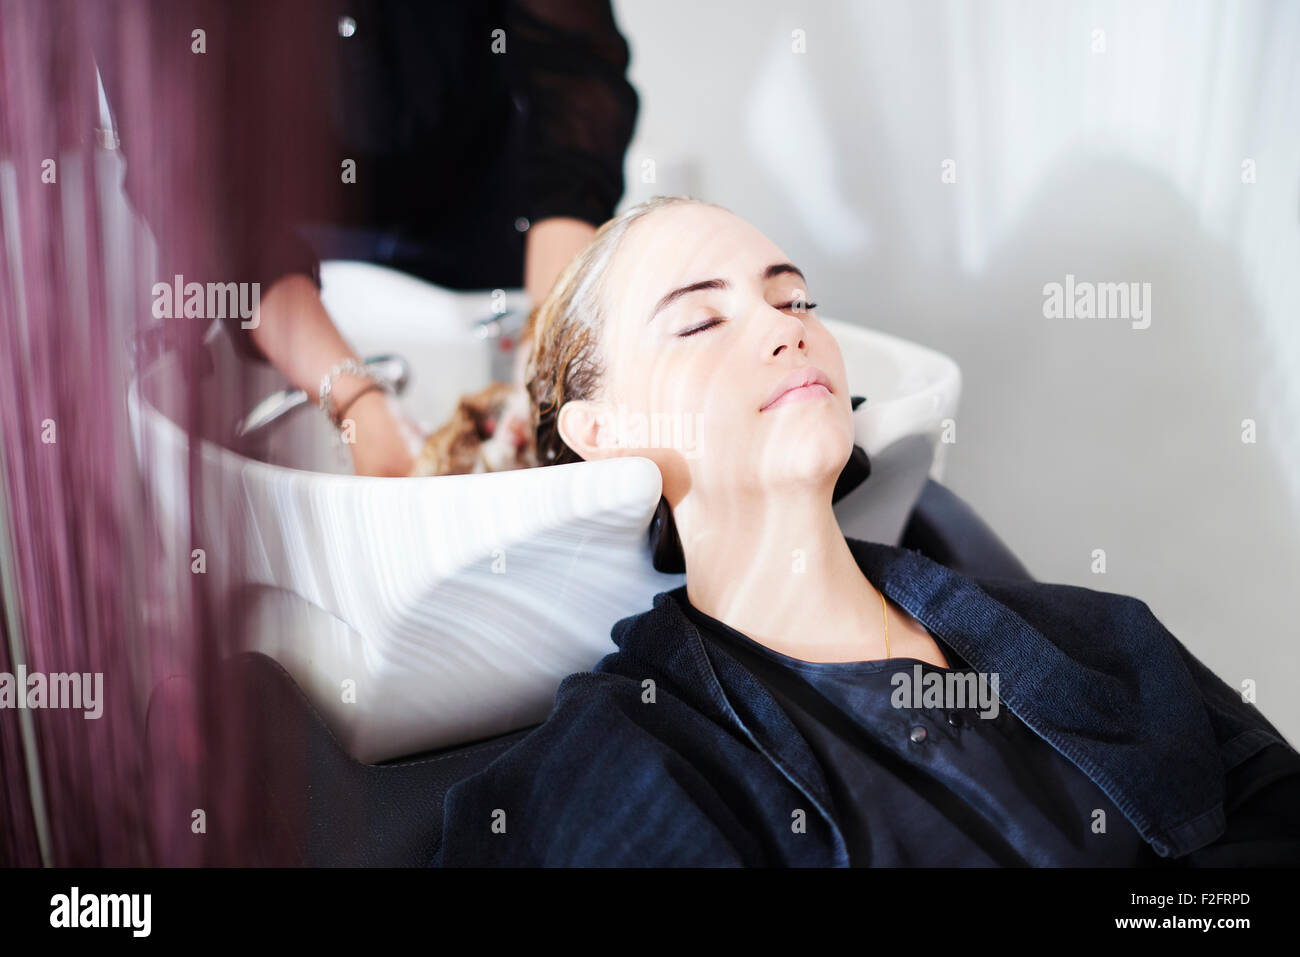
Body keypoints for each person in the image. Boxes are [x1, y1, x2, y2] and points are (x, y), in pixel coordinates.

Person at [433, 195, 1300, 866]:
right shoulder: (625, 768)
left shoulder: (1098, 638)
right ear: (600, 434)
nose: (786, 326)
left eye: (796, 298)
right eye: (700, 320)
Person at [93, 0, 638, 476]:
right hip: (283, 257)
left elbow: (573, 79)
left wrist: (538, 364)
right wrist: (357, 403)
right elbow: (183, 167)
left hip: (489, 222)